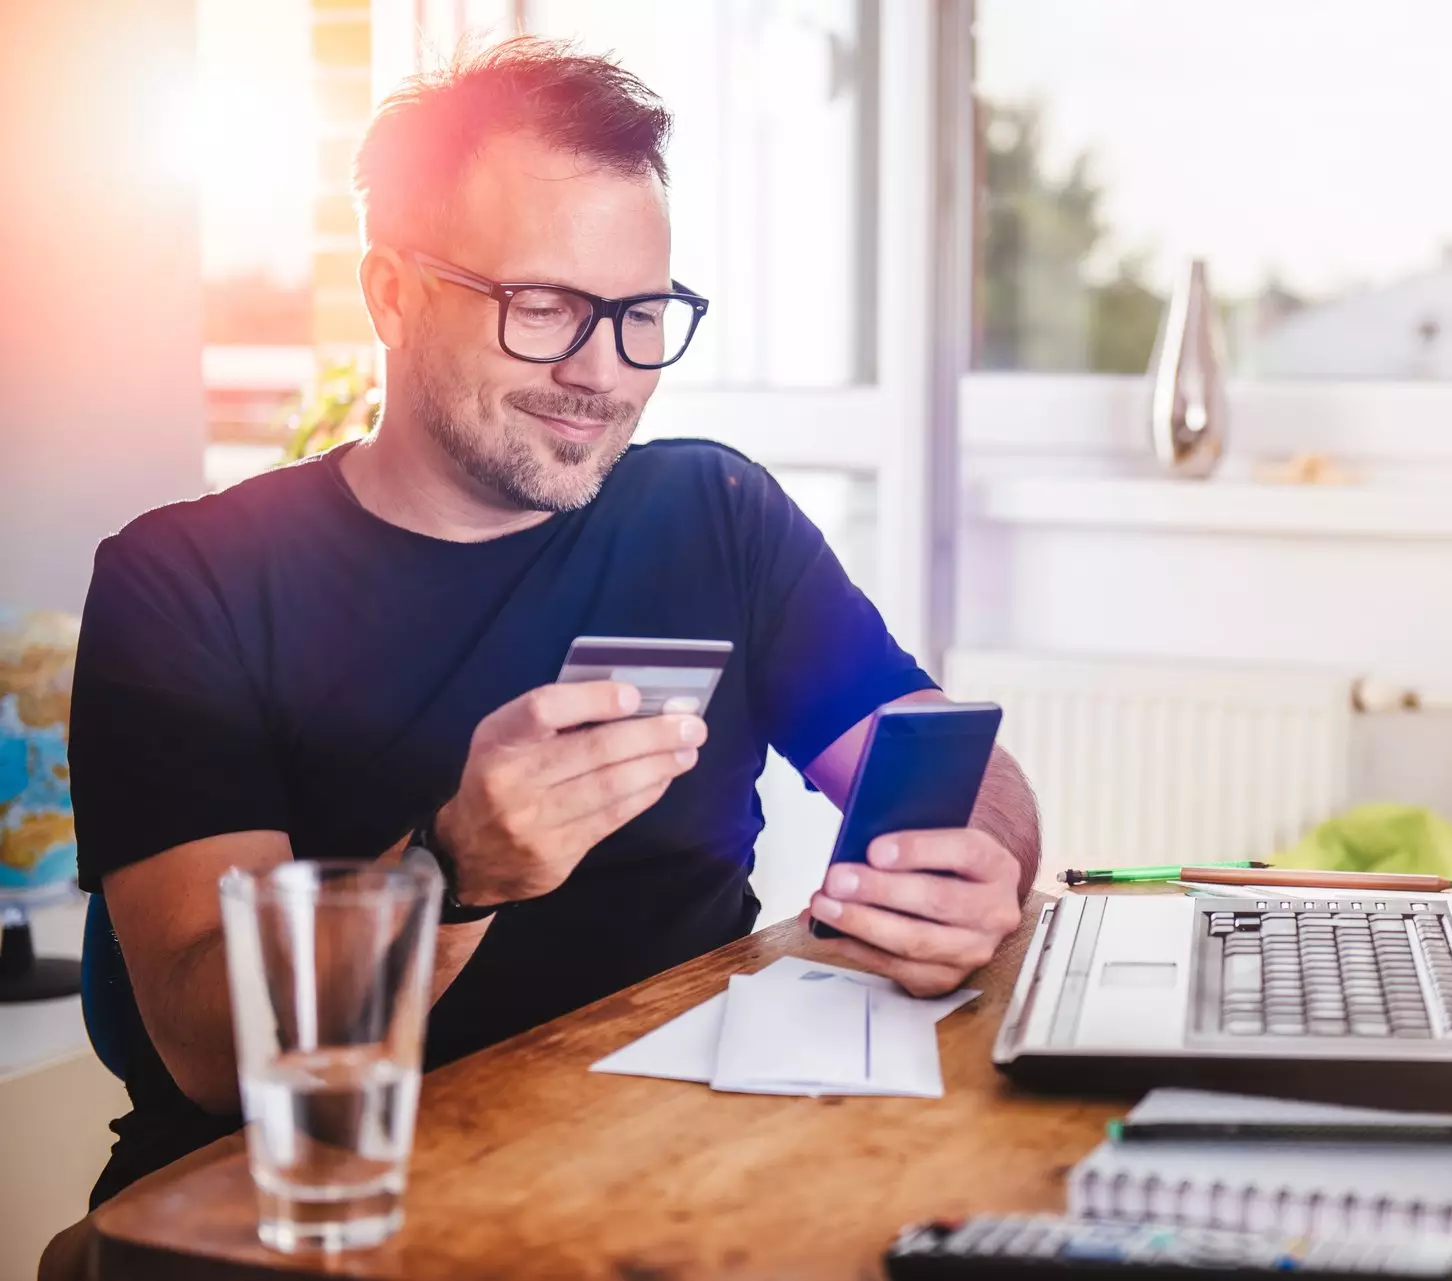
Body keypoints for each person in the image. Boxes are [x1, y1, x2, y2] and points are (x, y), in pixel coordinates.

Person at [65, 37, 1038, 1210]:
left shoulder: (714, 514)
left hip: (661, 1163)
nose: (601, 372)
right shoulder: (185, 582)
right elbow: (215, 1052)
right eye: (543, 308)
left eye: (639, 314)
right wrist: (454, 869)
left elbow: (953, 763)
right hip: (308, 1196)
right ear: (392, 293)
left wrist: (978, 867)